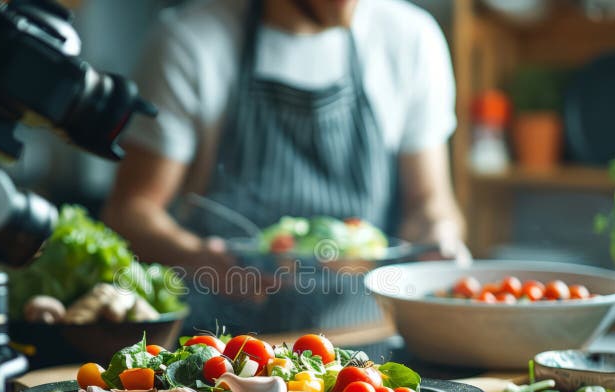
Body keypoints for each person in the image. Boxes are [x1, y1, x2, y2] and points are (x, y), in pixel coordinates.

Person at [103, 0, 469, 334]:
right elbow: (131, 211)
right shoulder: (189, 41)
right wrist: (194, 254)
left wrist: (440, 237)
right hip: (224, 351)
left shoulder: (411, 39)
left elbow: (429, 203)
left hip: (367, 351)